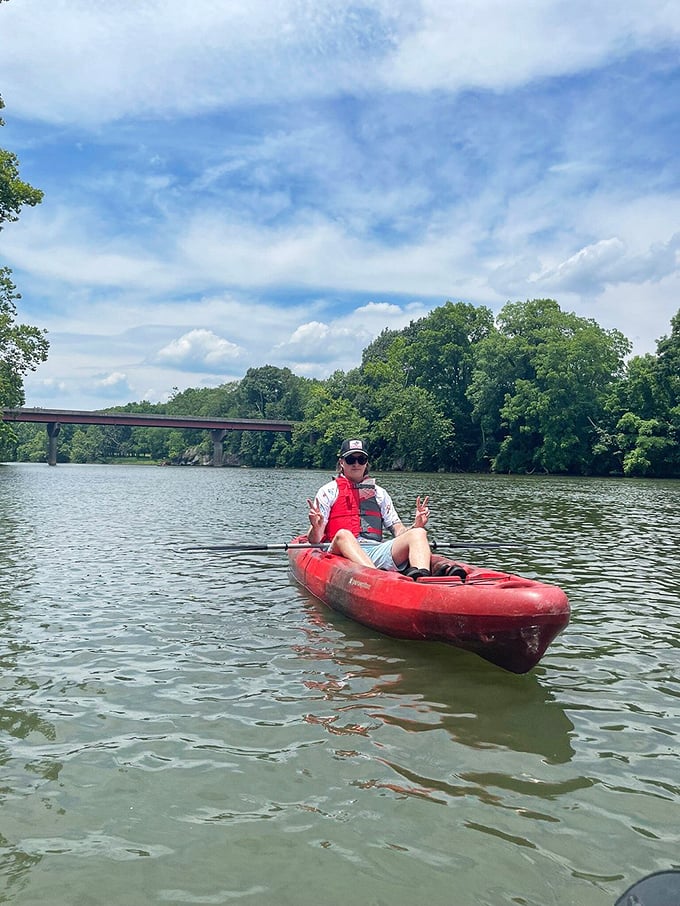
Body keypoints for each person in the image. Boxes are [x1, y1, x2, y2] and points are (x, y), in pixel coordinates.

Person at [306, 439, 434, 580]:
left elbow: (399, 531)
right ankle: (375, 579)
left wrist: (416, 525)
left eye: (361, 459)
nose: (356, 464)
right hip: (339, 551)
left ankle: (423, 579)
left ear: (366, 462)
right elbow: (314, 540)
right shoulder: (328, 491)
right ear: (342, 462)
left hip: (373, 550)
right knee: (344, 534)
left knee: (418, 533)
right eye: (350, 459)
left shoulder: (380, 494)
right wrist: (316, 527)